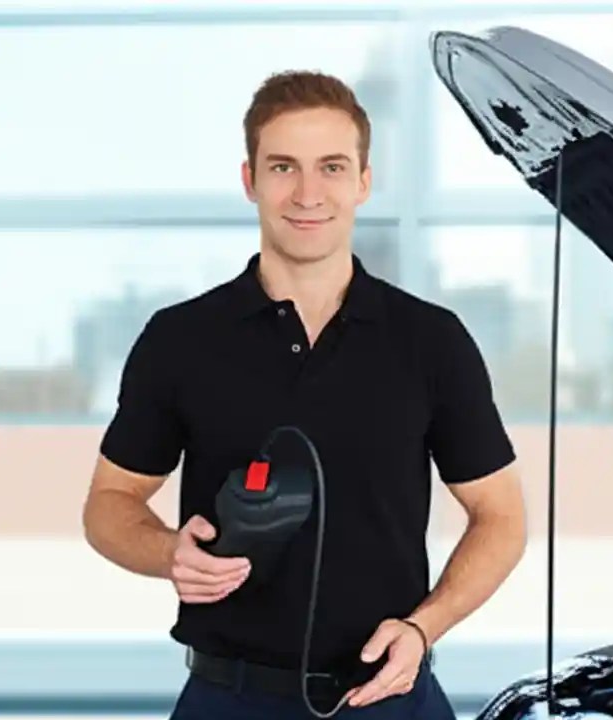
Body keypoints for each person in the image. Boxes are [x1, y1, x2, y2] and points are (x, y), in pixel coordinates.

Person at [82, 69, 527, 719]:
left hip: (387, 696)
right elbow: (108, 504)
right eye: (284, 166)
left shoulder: (431, 340)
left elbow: (502, 516)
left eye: (333, 167)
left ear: (363, 183)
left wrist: (425, 626)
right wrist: (167, 553)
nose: (308, 193)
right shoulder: (181, 338)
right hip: (227, 698)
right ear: (250, 180)